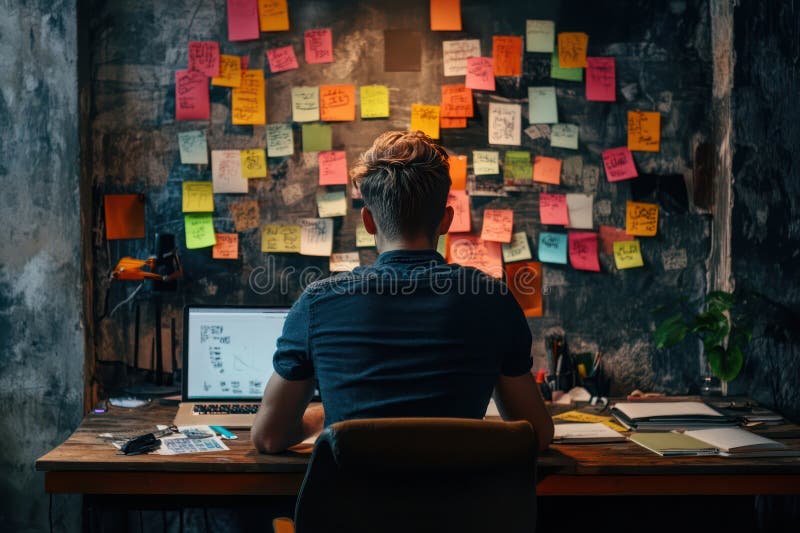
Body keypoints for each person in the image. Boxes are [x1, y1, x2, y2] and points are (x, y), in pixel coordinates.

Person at [251, 130, 553, 453]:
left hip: (353, 504)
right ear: (446, 220)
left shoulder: (317, 304)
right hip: (457, 503)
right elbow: (536, 433)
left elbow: (269, 437)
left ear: (368, 221)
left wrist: (326, 416)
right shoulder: (494, 301)